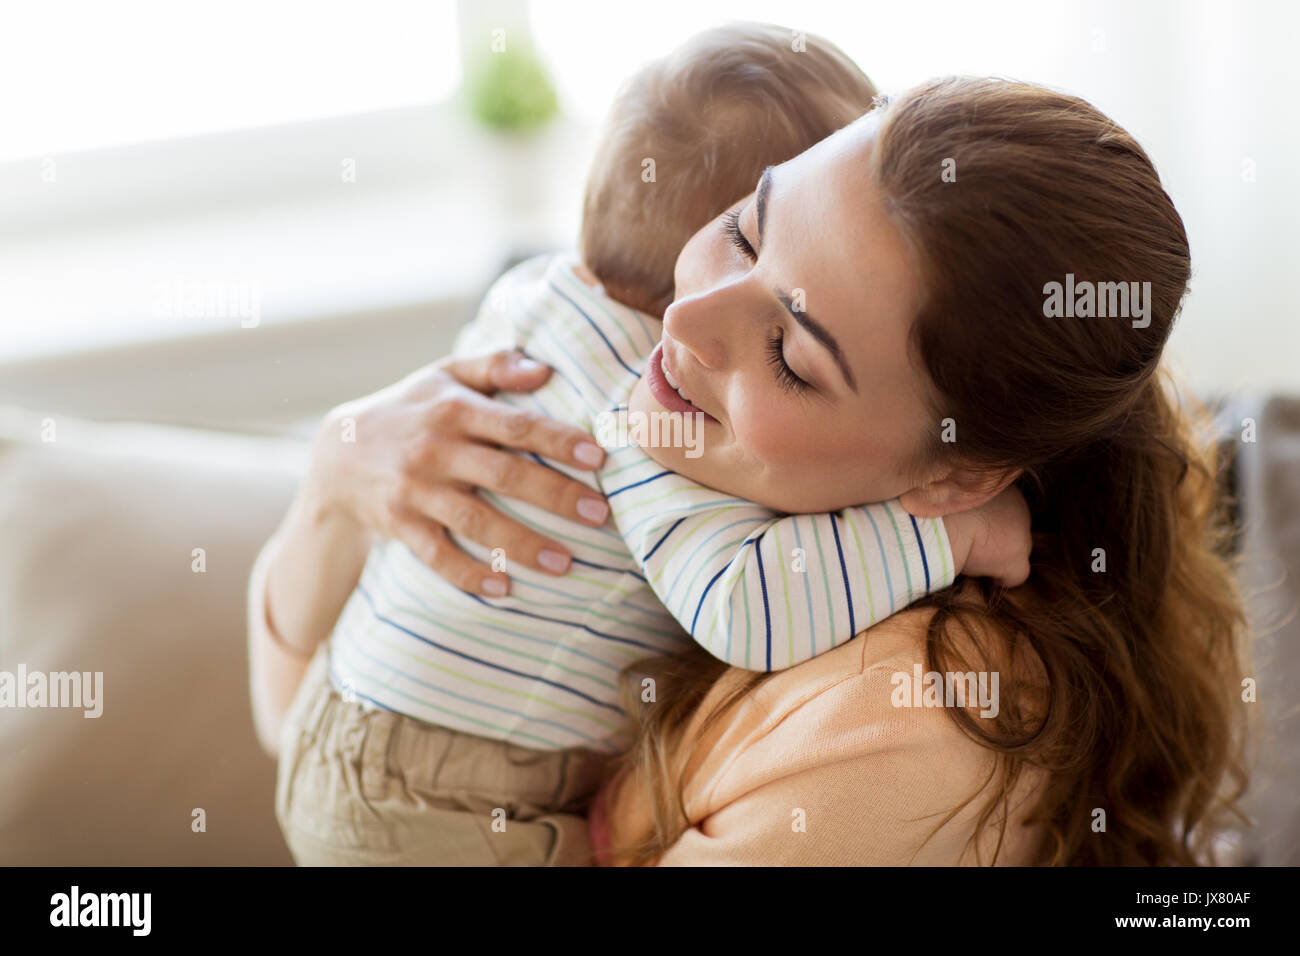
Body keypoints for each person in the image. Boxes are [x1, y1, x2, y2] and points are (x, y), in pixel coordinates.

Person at [250, 70, 1251, 865]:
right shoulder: (654, 433)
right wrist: (336, 486)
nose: (681, 318)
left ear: (951, 481)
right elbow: (299, 736)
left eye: (792, 354)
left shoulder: (911, 717)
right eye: (742, 226)